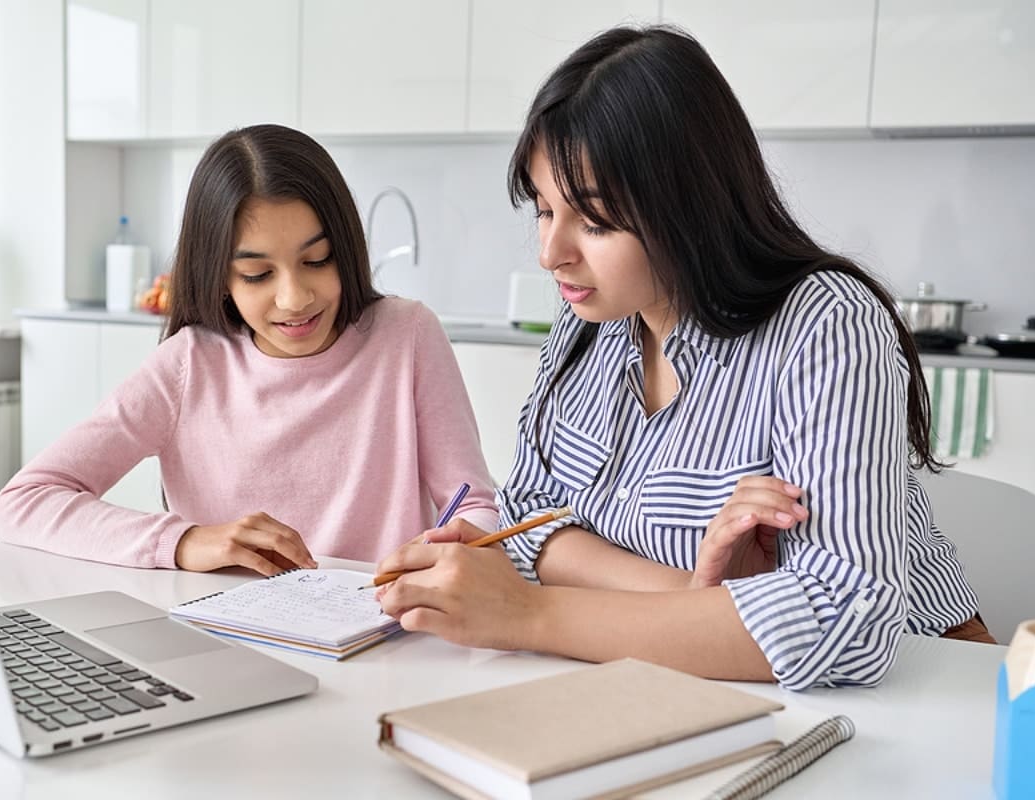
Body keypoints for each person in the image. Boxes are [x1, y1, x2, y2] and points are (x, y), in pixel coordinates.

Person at [374, 26, 992, 690]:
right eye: (544, 210)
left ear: (689, 205)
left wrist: (530, 613)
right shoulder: (593, 318)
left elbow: (845, 619)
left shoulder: (827, 325)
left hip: (923, 693)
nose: (551, 253)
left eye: (595, 222)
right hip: (683, 679)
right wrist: (691, 596)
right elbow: (528, 522)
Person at [0, 124, 496, 574]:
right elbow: (23, 501)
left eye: (318, 261)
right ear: (220, 277)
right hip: (223, 634)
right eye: (257, 274)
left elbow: (472, 504)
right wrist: (184, 541)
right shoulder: (190, 364)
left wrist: (464, 547)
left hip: (381, 634)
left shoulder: (406, 336)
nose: (294, 298)